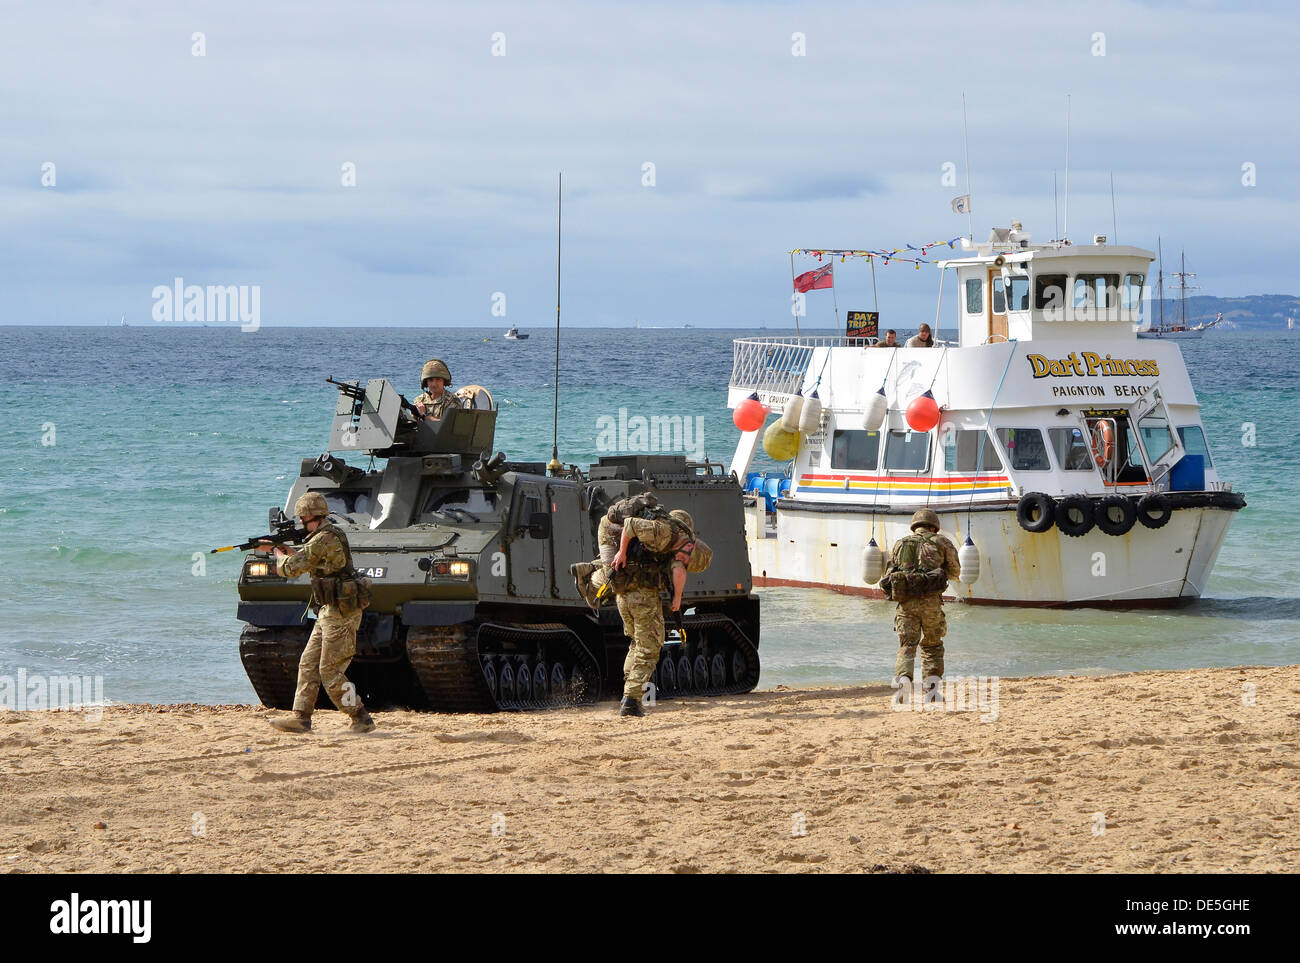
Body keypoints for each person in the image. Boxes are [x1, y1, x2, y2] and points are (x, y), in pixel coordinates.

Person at [265, 492, 376, 734]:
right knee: (308, 664)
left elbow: (290, 569)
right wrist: (287, 550)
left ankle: (360, 717)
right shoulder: (324, 536)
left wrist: (277, 553)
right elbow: (312, 561)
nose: (302, 524)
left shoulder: (323, 538)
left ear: (312, 517)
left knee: (330, 672)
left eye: (303, 520)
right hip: (328, 611)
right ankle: (301, 718)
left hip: (341, 613)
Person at [609, 507, 698, 717]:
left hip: (623, 595)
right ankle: (631, 699)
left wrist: (622, 551)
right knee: (649, 649)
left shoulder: (647, 540)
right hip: (643, 597)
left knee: (636, 642)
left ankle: (630, 686)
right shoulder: (669, 534)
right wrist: (677, 598)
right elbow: (678, 569)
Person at [880, 509, 961, 697]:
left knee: (907, 645)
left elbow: (890, 574)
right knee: (932, 646)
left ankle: (903, 683)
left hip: (906, 603)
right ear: (934, 527)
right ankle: (931, 691)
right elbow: (955, 572)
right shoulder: (942, 542)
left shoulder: (900, 544)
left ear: (915, 526)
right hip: (932, 604)